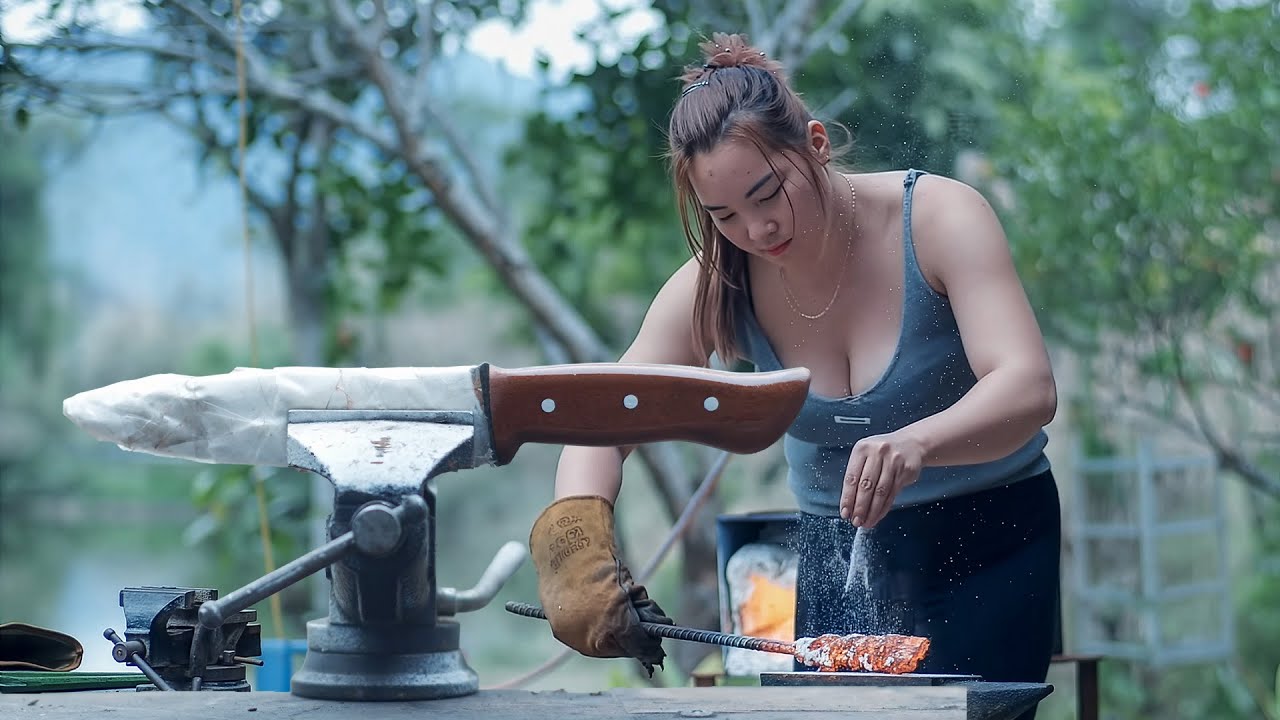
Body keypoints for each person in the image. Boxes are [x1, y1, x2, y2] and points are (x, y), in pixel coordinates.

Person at [527, 31, 1061, 710]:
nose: (755, 229)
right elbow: (606, 415)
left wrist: (918, 443)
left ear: (814, 143)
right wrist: (574, 549)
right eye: (723, 216)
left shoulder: (938, 218)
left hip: (993, 538)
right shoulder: (718, 284)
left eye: (767, 193)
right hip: (832, 554)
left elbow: (1028, 385)